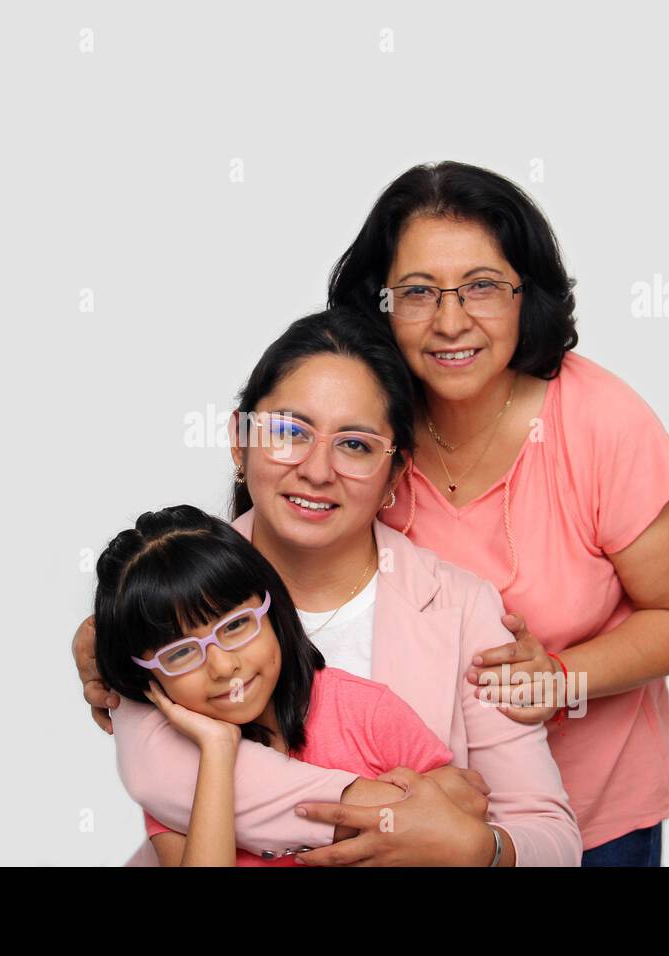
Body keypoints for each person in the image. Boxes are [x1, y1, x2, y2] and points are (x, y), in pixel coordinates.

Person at [325, 160, 669, 864]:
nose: (451, 322)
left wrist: (560, 678)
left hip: (593, 816)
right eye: (418, 292)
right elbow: (269, 546)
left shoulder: (601, 422)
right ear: (379, 304)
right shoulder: (358, 414)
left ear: (527, 295)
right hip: (406, 816)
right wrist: (123, 629)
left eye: (482, 287)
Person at [75, 309, 581, 866]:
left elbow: (550, 838)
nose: (318, 470)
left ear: (395, 473)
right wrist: (389, 811)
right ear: (239, 442)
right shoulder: (160, 592)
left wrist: (473, 847)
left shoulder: (461, 607)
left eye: (356, 445)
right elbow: (158, 772)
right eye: (289, 432)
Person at [93, 504, 461, 866]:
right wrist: (218, 751)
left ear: (271, 606)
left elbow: (464, 812)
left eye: (236, 626)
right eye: (181, 653)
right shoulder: (177, 774)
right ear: (148, 678)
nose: (223, 666)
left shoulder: (364, 711)